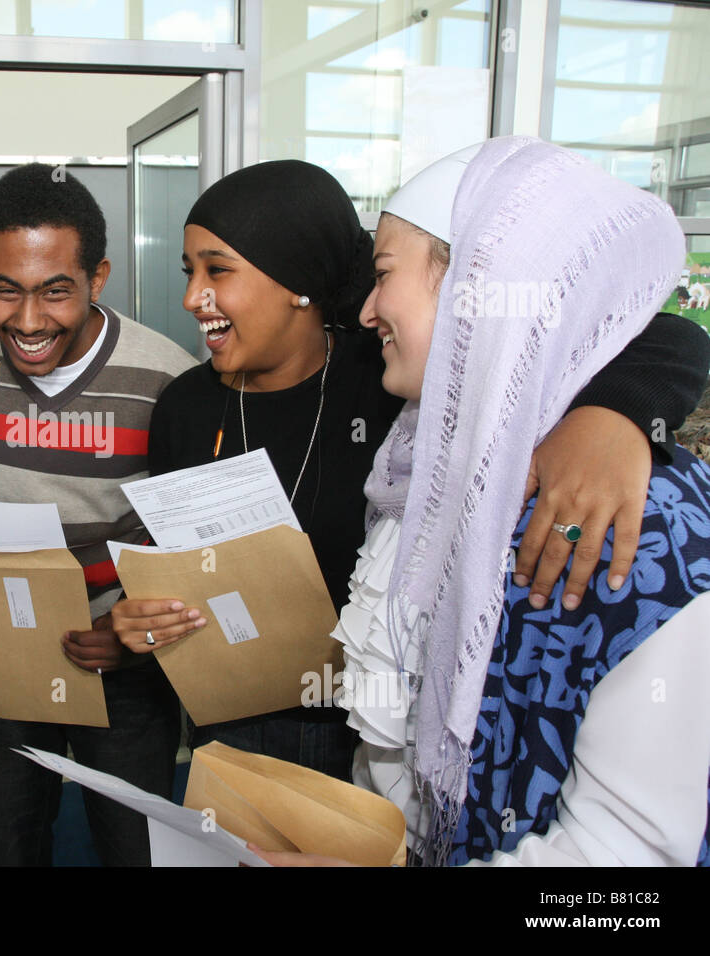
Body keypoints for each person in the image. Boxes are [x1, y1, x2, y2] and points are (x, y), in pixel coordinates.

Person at [110, 158, 710, 783]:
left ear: (296, 280)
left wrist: (613, 416)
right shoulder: (184, 406)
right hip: (224, 715)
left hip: (360, 731)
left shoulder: (394, 375)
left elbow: (655, 334)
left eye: (218, 270)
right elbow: (175, 561)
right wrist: (144, 617)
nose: (191, 297)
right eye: (190, 272)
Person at [259, 136, 710, 866]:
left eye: (383, 275)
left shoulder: (630, 520)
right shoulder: (424, 466)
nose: (368, 310)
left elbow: (629, 868)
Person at [0, 164, 196, 866]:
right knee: (9, 842)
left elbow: (187, 540)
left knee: (131, 847)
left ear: (98, 278)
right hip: (6, 653)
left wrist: (131, 630)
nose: (28, 321)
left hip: (122, 661)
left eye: (56, 291)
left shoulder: (166, 379)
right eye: (6, 290)